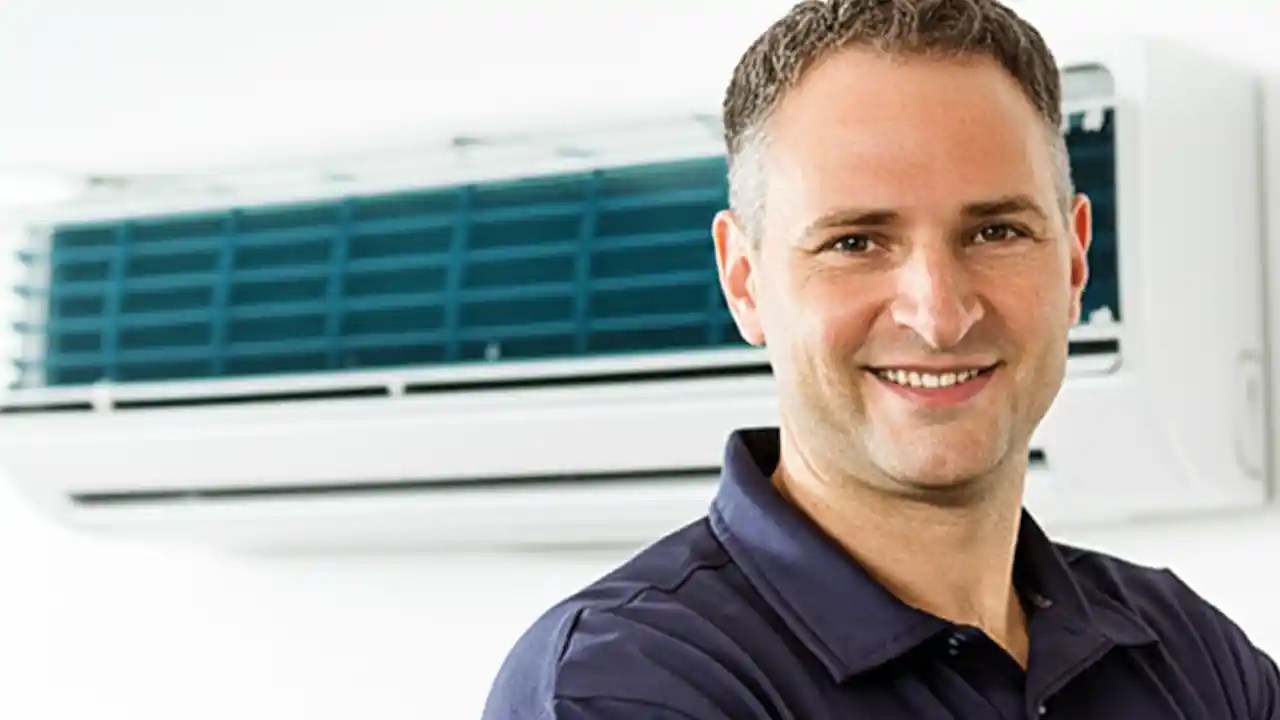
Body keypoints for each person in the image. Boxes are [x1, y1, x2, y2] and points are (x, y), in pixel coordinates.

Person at [482, 1, 1280, 717]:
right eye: (855, 243)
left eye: (995, 232)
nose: (938, 315)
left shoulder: (1193, 658)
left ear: (1074, 261)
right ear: (745, 282)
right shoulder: (627, 683)